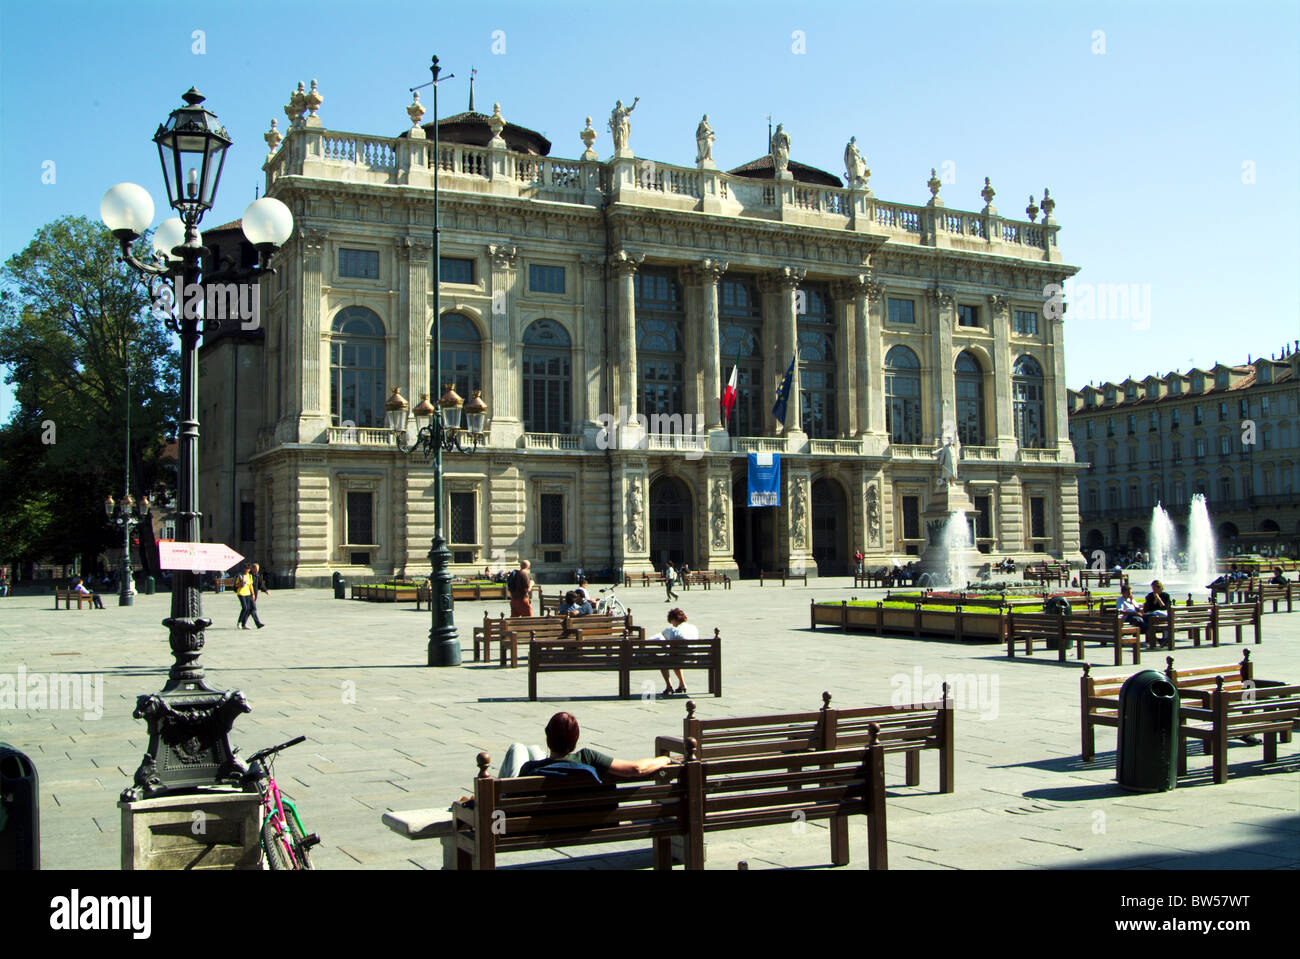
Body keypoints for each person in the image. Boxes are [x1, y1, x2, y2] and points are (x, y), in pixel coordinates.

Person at [499, 711, 674, 780]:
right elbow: (635, 768)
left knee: (518, 748)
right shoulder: (588, 758)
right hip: (588, 821)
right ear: (575, 739)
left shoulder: (529, 768)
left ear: (548, 737)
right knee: (533, 750)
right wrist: (663, 759)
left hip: (532, 824)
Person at [650, 607, 699, 697]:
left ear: (673, 619)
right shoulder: (693, 627)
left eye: (671, 622)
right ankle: (682, 684)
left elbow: (672, 649)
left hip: (680, 657)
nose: (672, 624)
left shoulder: (675, 630)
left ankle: (669, 686)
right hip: (693, 657)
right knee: (676, 657)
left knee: (664, 660)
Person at [1142, 579, 1171, 645]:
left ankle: (1166, 639)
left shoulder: (1166, 595)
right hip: (1152, 614)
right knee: (1154, 618)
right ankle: (1155, 639)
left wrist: (1159, 599)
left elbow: (1165, 607)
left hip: (1162, 614)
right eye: (1153, 588)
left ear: (1160, 588)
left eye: (1155, 588)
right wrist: (1155, 601)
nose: (1154, 590)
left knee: (1167, 620)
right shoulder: (1150, 596)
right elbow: (1149, 608)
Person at [235, 564, 264, 630]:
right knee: (245, 608)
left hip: (248, 593)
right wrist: (241, 582)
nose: (246, 570)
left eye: (248, 569)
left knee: (248, 609)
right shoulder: (240, 575)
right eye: (245, 569)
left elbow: (250, 586)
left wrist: (253, 594)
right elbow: (236, 585)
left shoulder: (249, 576)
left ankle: (244, 624)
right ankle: (239, 622)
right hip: (241, 593)